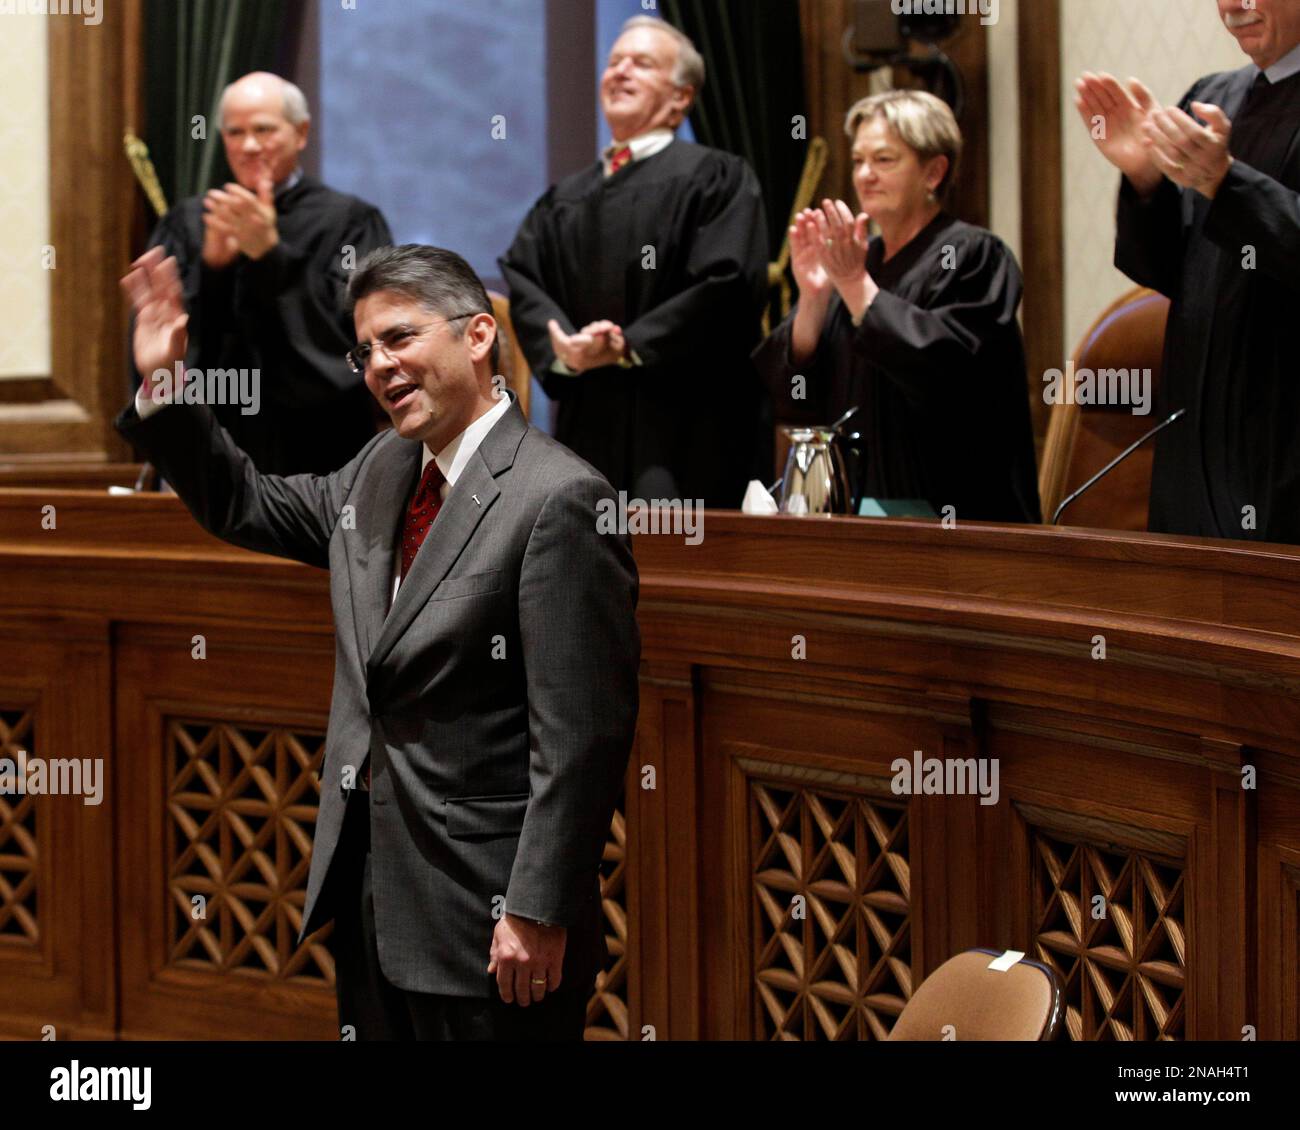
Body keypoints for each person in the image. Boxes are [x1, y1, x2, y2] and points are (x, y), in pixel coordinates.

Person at [116, 243, 640, 1041]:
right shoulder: (381, 471)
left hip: (492, 919)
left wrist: (537, 908)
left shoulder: (560, 498)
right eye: (365, 351)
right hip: (373, 901)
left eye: (399, 338)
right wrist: (165, 384)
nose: (379, 366)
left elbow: (582, 738)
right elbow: (243, 502)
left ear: (476, 336)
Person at [500, 16, 770, 508]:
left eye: (641, 64)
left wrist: (631, 345)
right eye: (614, 62)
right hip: (588, 423)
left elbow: (728, 284)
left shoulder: (717, 178)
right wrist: (566, 345)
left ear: (680, 98)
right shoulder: (565, 197)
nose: (620, 72)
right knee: (584, 564)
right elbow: (524, 274)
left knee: (680, 571)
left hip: (686, 428)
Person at [753, 90, 1040, 524]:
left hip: (960, 523)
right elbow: (794, 398)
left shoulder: (975, 256)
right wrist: (813, 299)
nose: (865, 175)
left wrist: (854, 287)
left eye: (884, 160)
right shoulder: (855, 260)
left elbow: (947, 373)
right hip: (853, 517)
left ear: (934, 172)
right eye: (857, 161)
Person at [1076, 0, 1300, 544]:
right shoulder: (1211, 97)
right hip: (1194, 450)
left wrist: (1228, 183)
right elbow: (1168, 270)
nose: (1232, 5)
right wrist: (1145, 180)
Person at [130, 71, 393, 475]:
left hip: (323, 448)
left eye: (264, 130)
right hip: (219, 444)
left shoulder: (350, 222)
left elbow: (354, 345)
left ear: (301, 132)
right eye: (235, 133)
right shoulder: (189, 222)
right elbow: (176, 354)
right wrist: (214, 271)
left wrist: (272, 257)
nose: (249, 146)